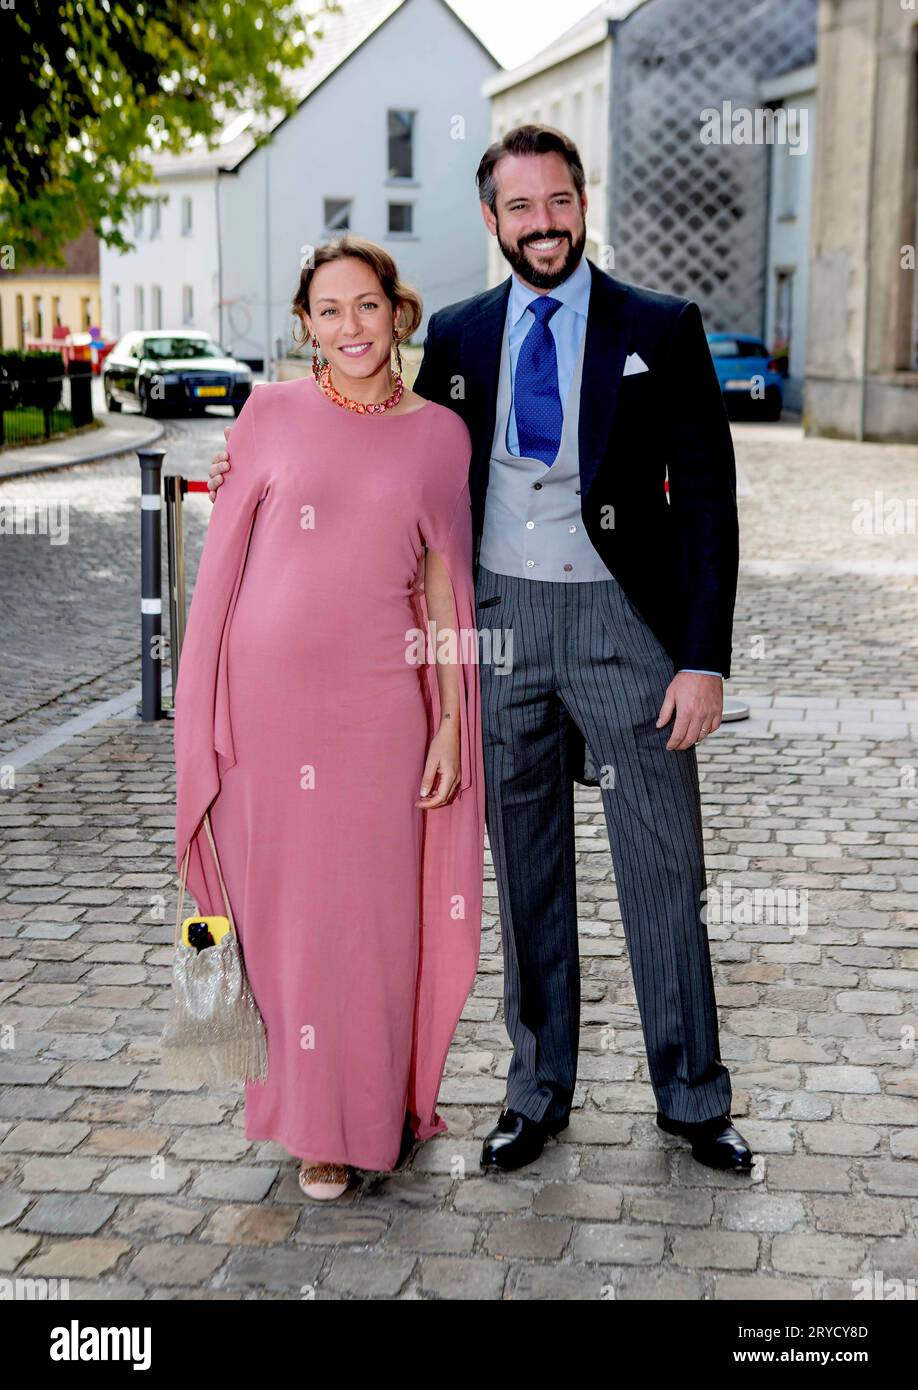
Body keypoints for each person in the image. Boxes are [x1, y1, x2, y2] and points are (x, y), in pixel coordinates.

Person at [209, 125, 753, 1177]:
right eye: (519, 206)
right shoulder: (458, 335)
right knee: (525, 871)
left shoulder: (661, 327)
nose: (541, 222)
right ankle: (536, 1089)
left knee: (663, 865)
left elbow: (710, 506)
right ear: (493, 219)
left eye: (557, 202)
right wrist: (258, 443)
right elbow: (387, 446)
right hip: (495, 629)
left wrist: (703, 656)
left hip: (622, 624)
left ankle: (692, 1097)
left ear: (582, 204)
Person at [174, 236, 484, 1201]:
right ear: (305, 326)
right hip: (266, 711)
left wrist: (447, 722)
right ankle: (315, 1122)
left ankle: (373, 1102)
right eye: (329, 310)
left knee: (375, 920)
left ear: (398, 312)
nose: (350, 326)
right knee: (290, 920)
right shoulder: (268, 415)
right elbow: (223, 561)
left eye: (367, 305)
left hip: (382, 710)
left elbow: (445, 590)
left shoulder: (441, 435)